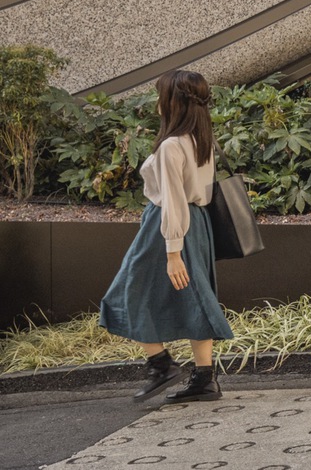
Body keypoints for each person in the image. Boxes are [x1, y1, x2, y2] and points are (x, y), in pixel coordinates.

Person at [100, 70, 234, 403]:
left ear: (173, 102)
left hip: (168, 227)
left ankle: (161, 365)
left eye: (160, 95)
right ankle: (204, 378)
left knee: (126, 293)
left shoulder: (171, 146)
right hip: (197, 225)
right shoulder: (201, 139)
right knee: (197, 297)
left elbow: (173, 201)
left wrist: (173, 252)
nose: (157, 102)